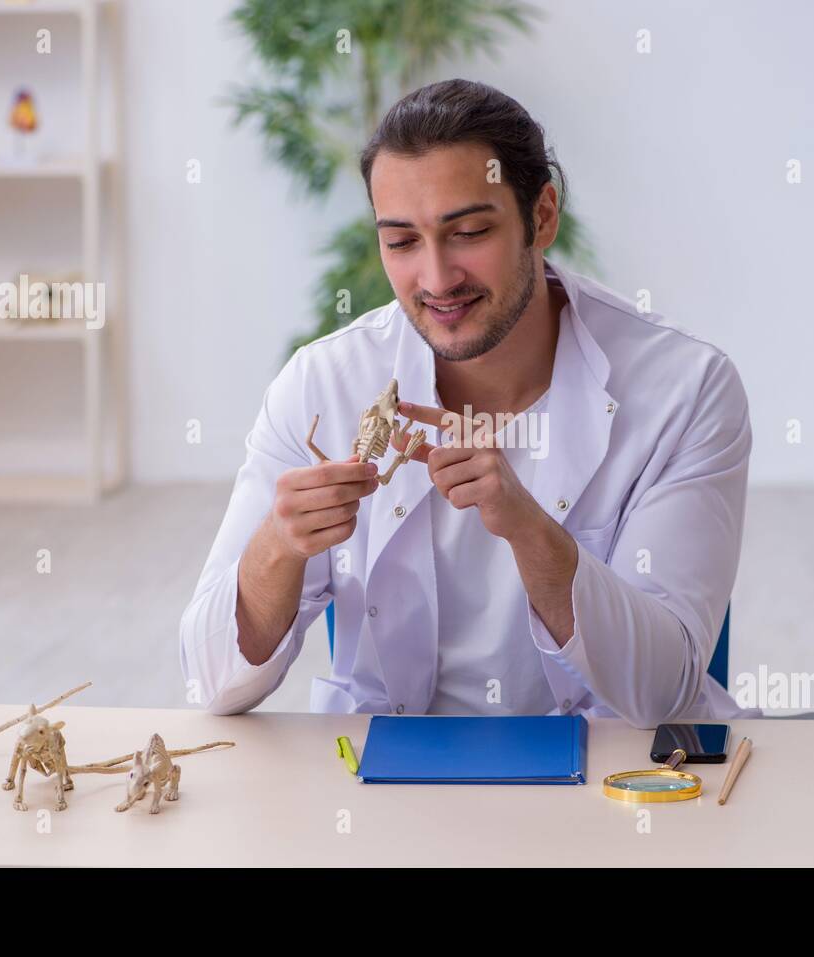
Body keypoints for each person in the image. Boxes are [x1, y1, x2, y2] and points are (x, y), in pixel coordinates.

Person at [181, 79, 759, 728]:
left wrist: (526, 524)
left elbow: (663, 691)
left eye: (469, 231)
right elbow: (210, 682)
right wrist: (279, 546)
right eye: (401, 242)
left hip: (612, 785)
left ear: (541, 215)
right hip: (390, 783)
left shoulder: (684, 390)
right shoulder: (325, 385)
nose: (436, 278)